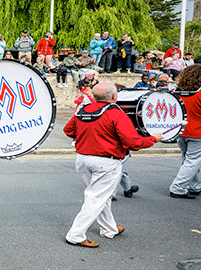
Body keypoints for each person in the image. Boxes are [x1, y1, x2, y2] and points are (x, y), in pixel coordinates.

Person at [63, 82, 161, 247]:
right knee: (96, 198)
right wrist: (153, 139)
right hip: (106, 161)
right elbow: (132, 142)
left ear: (94, 96)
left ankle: (109, 228)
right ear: (114, 96)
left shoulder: (83, 110)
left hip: (82, 159)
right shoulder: (116, 113)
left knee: (101, 196)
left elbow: (68, 130)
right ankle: (76, 235)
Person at [168, 64, 201, 199]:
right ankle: (178, 187)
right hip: (197, 132)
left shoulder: (176, 91)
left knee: (189, 160)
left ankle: (195, 186)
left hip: (181, 130)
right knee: (192, 161)